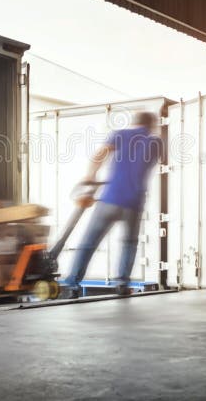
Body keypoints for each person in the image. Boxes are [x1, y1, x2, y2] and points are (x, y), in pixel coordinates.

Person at [62, 111, 163, 298]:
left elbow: (99, 155)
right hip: (134, 202)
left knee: (88, 243)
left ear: (135, 122)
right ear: (152, 125)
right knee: (129, 243)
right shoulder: (156, 143)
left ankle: (72, 283)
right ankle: (122, 284)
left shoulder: (121, 134)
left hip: (111, 198)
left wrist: (90, 175)